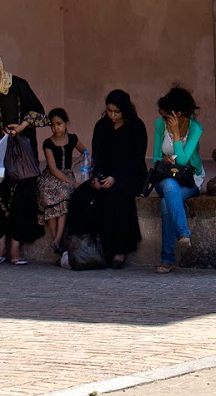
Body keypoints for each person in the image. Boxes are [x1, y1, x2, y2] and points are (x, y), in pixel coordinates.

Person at [0, 51, 47, 265]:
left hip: (20, 152)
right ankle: (0, 244)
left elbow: (38, 113)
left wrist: (20, 127)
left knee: (21, 197)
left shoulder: (18, 85)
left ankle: (15, 246)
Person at [67, 89, 147, 268]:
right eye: (109, 111)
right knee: (81, 196)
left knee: (117, 196)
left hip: (130, 176)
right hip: (104, 175)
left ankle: (119, 250)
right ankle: (80, 249)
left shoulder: (136, 126)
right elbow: (98, 155)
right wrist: (97, 177)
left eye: (117, 112)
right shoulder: (102, 126)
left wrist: (116, 178)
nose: (112, 115)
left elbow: (137, 159)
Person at [152, 87, 206, 274]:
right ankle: (183, 233)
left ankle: (167, 258)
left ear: (179, 113)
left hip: (190, 179)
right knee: (168, 185)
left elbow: (183, 160)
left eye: (167, 117)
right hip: (165, 177)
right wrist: (163, 159)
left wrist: (175, 134)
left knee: (167, 203)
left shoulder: (195, 128)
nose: (163, 120)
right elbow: (156, 157)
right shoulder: (160, 125)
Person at [39, 108, 86, 259]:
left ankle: (57, 240)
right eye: (52, 125)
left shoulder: (72, 138)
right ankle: (58, 240)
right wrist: (73, 182)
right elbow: (53, 169)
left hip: (66, 175)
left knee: (65, 194)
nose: (55, 128)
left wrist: (74, 164)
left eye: (59, 124)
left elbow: (85, 152)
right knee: (48, 196)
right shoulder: (48, 143)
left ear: (66, 123)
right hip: (51, 177)